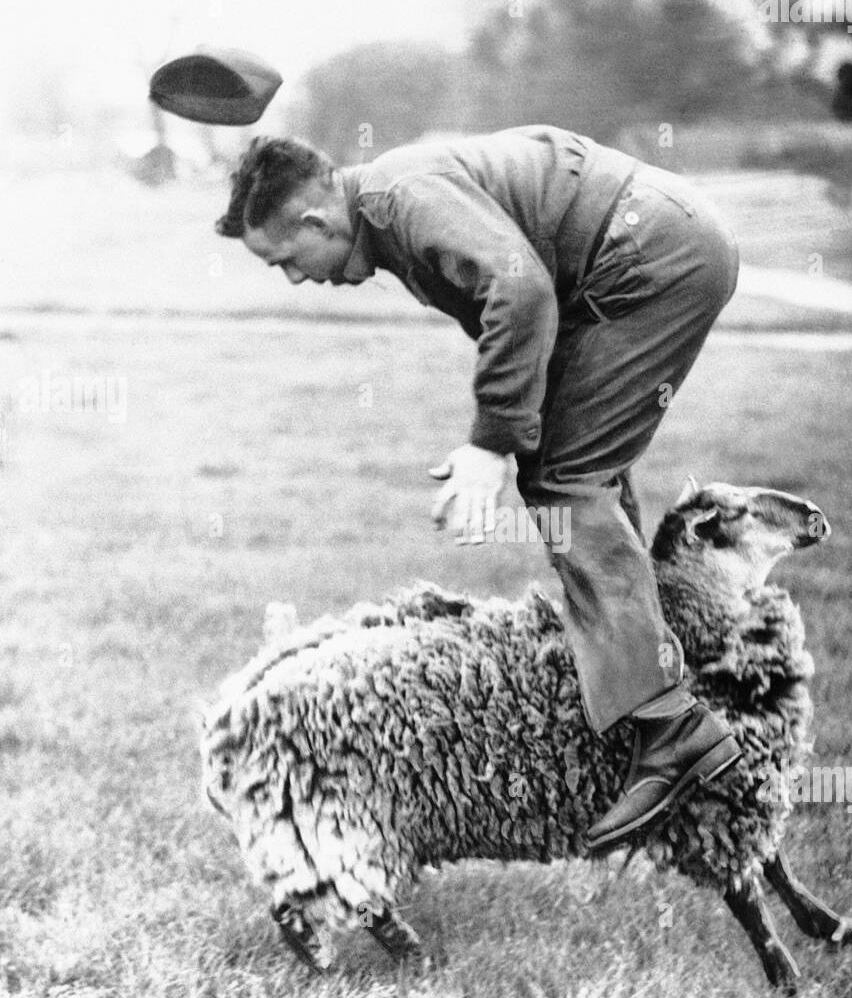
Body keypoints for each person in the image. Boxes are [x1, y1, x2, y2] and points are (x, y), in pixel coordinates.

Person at [214, 124, 742, 849]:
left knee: (563, 479)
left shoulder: (401, 197)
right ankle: (652, 706)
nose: (297, 279)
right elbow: (523, 309)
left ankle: (668, 726)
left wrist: (491, 445)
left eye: (286, 261)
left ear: (315, 220)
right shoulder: (388, 213)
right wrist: (510, 434)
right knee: (570, 467)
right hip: (645, 249)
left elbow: (519, 293)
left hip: (649, 254)